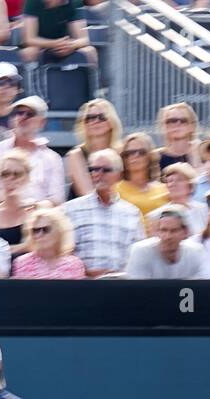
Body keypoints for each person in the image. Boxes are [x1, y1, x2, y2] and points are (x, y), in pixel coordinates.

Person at [63, 146, 140, 277]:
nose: (98, 174)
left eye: (105, 170)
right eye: (93, 169)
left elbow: (138, 254)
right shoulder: (70, 209)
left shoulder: (132, 212)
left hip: (121, 285)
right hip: (81, 284)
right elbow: (64, 252)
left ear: (119, 174)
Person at [0, 95, 64, 204]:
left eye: (30, 114)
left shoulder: (52, 158)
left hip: (38, 215)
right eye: (18, 113)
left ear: (42, 122)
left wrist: (32, 207)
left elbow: (56, 199)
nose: (23, 117)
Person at [0, 147, 46, 258]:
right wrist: (25, 246)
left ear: (28, 177)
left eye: (17, 174)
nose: (11, 179)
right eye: (5, 174)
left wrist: (1, 249)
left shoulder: (40, 208)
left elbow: (42, 246)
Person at [123, 203, 203, 278]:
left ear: (185, 232)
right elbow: (136, 289)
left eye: (174, 231)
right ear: (157, 231)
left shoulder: (196, 252)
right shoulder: (140, 251)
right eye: (163, 230)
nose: (167, 236)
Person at [64, 97, 120, 197]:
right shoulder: (76, 155)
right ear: (84, 124)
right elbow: (87, 194)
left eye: (101, 117)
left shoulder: (120, 152)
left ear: (111, 122)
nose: (95, 121)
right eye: (90, 118)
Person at [12, 205, 84, 278]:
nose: (39, 234)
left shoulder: (74, 264)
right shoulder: (22, 263)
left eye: (45, 229)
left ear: (58, 232)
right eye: (35, 230)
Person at [20, 0, 94, 66]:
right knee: (29, 52)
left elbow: (84, 39)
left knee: (89, 50)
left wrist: (71, 45)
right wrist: (55, 44)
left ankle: (91, 80)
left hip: (66, 45)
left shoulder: (74, 2)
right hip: (41, 46)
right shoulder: (32, 2)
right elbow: (29, 39)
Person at [159, 162, 205, 236]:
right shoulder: (158, 214)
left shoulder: (203, 209)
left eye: (179, 180)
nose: (173, 184)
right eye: (170, 181)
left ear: (190, 185)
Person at [156, 101, 198, 171]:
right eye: (172, 121)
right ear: (164, 126)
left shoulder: (205, 154)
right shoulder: (154, 158)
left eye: (183, 120)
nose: (178, 124)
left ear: (192, 126)